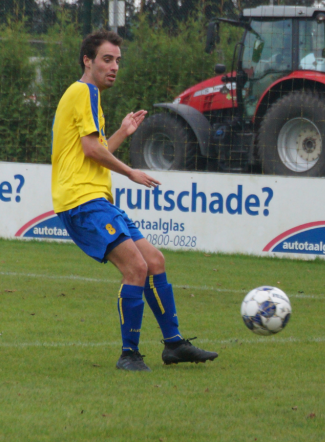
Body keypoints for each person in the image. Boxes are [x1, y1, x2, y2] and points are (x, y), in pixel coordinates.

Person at [51, 30, 218, 371]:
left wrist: (121, 134)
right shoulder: (83, 91)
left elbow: (94, 152)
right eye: (107, 60)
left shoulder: (88, 95)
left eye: (117, 62)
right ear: (88, 61)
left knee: (154, 261)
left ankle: (173, 345)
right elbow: (90, 150)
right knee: (136, 268)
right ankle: (129, 354)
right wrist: (131, 172)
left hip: (96, 198)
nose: (114, 67)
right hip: (82, 201)